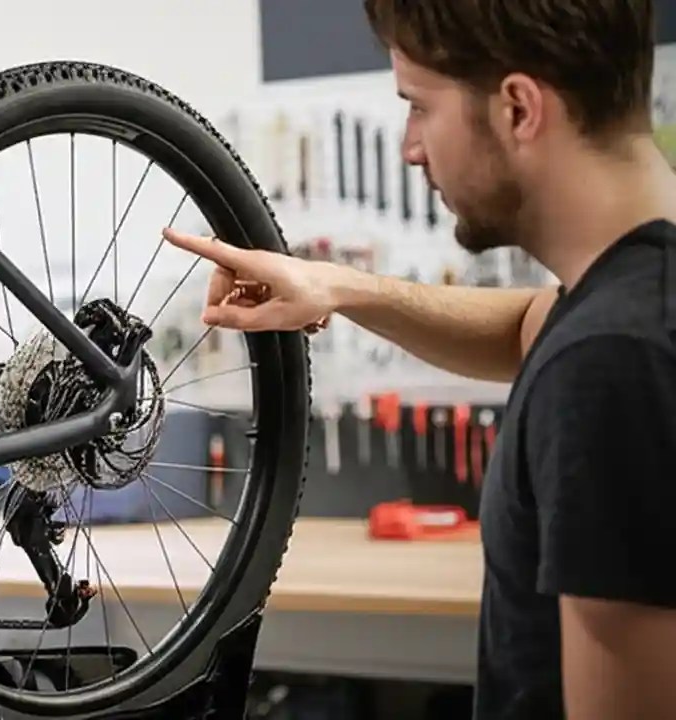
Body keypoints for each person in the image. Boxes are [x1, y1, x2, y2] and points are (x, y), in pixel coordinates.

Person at [163, 1, 676, 718]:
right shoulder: (628, 299)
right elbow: (527, 326)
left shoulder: (613, 360)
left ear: (518, 109)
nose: (409, 148)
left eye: (419, 107)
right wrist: (337, 286)